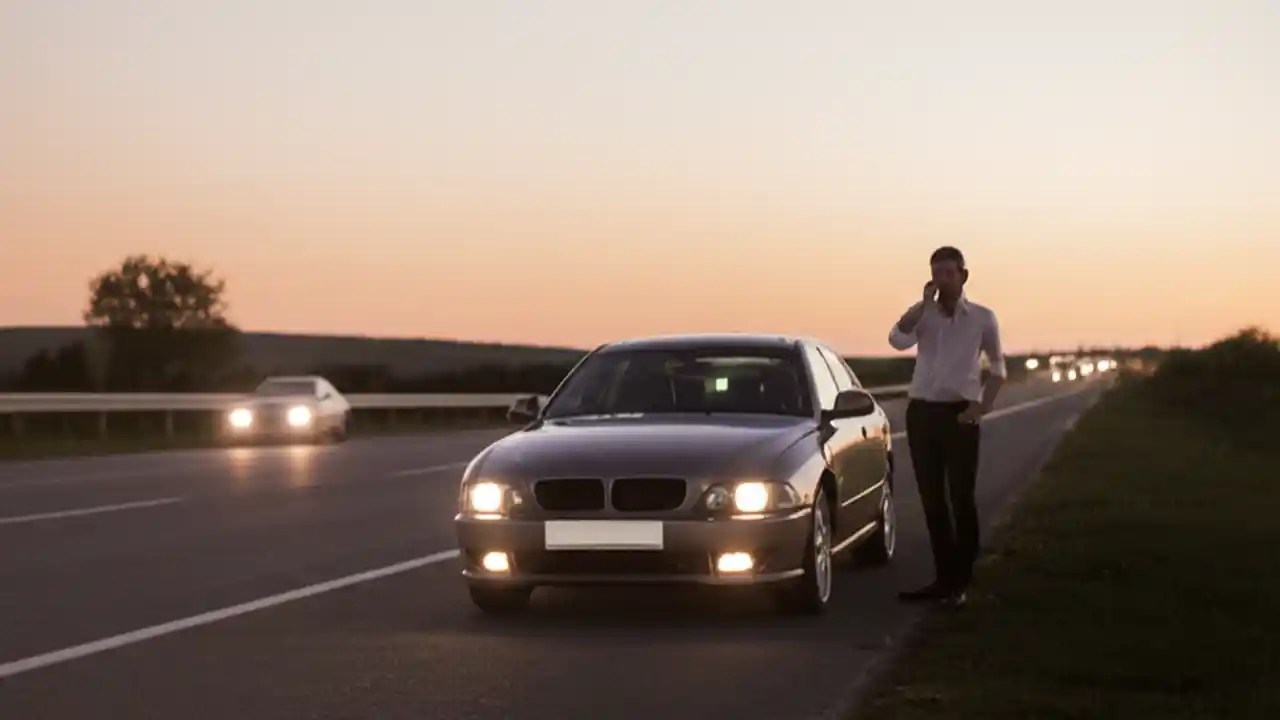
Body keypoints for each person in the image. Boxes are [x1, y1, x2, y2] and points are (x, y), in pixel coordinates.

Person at [888, 246, 1006, 606]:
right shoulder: (924, 317)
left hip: (959, 414)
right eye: (936, 273)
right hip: (922, 413)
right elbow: (896, 339)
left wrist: (980, 407)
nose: (942, 280)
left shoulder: (983, 318)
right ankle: (944, 580)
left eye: (948, 273)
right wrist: (921, 305)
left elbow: (999, 369)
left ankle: (961, 579)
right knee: (932, 500)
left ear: (963, 275)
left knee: (960, 498)